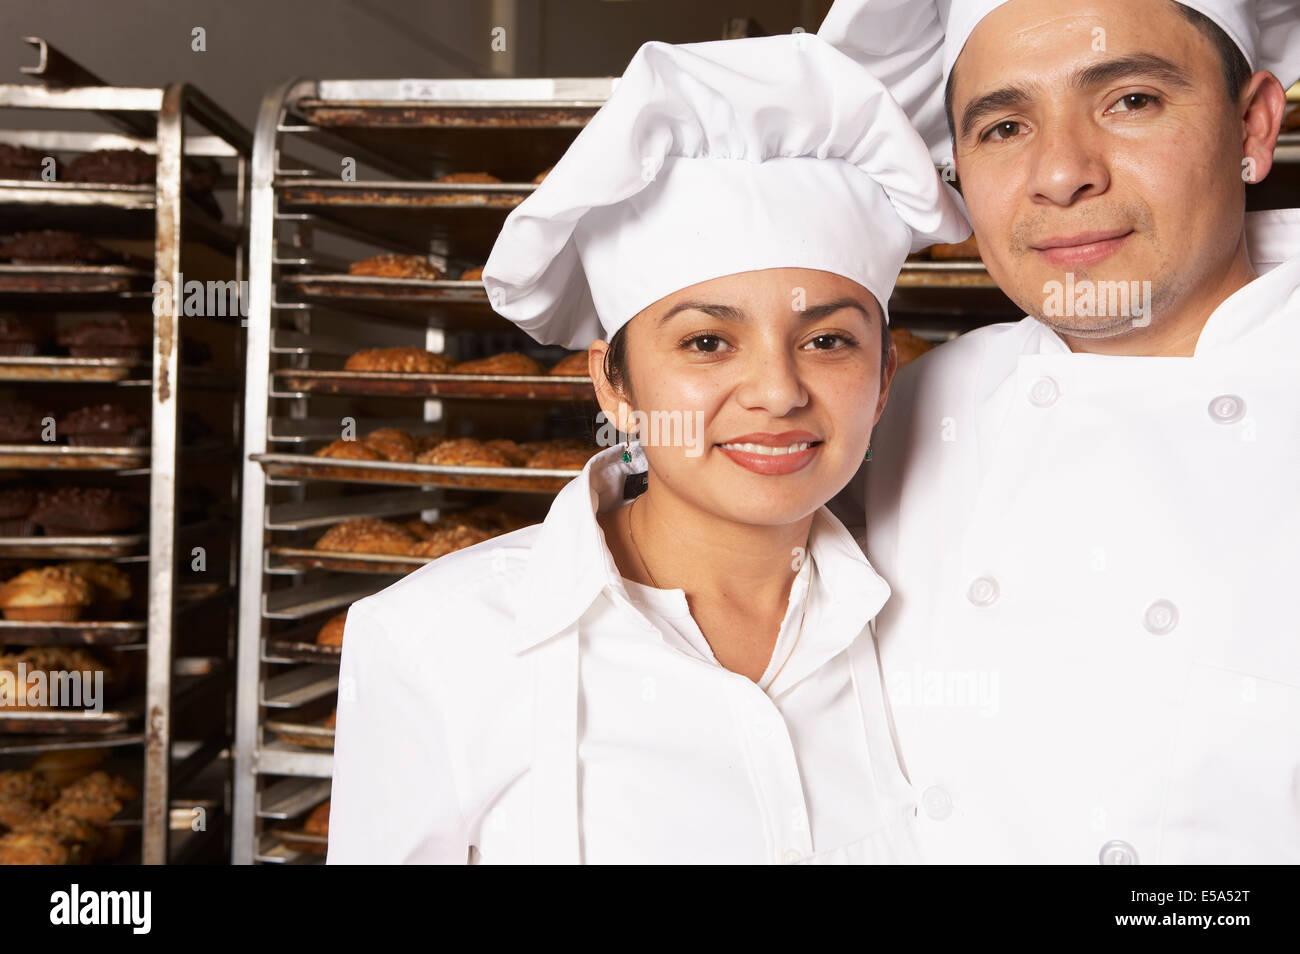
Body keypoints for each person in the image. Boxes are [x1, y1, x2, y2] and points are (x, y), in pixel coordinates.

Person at [325, 33, 969, 864]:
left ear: (885, 377)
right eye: (707, 343)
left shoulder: (937, 629)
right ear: (615, 386)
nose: (777, 392)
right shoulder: (432, 642)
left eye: (828, 342)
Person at [819, 0, 1300, 862]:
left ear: (1253, 128)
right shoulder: (904, 413)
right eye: (1004, 126)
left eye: (1131, 101)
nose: (1062, 173)